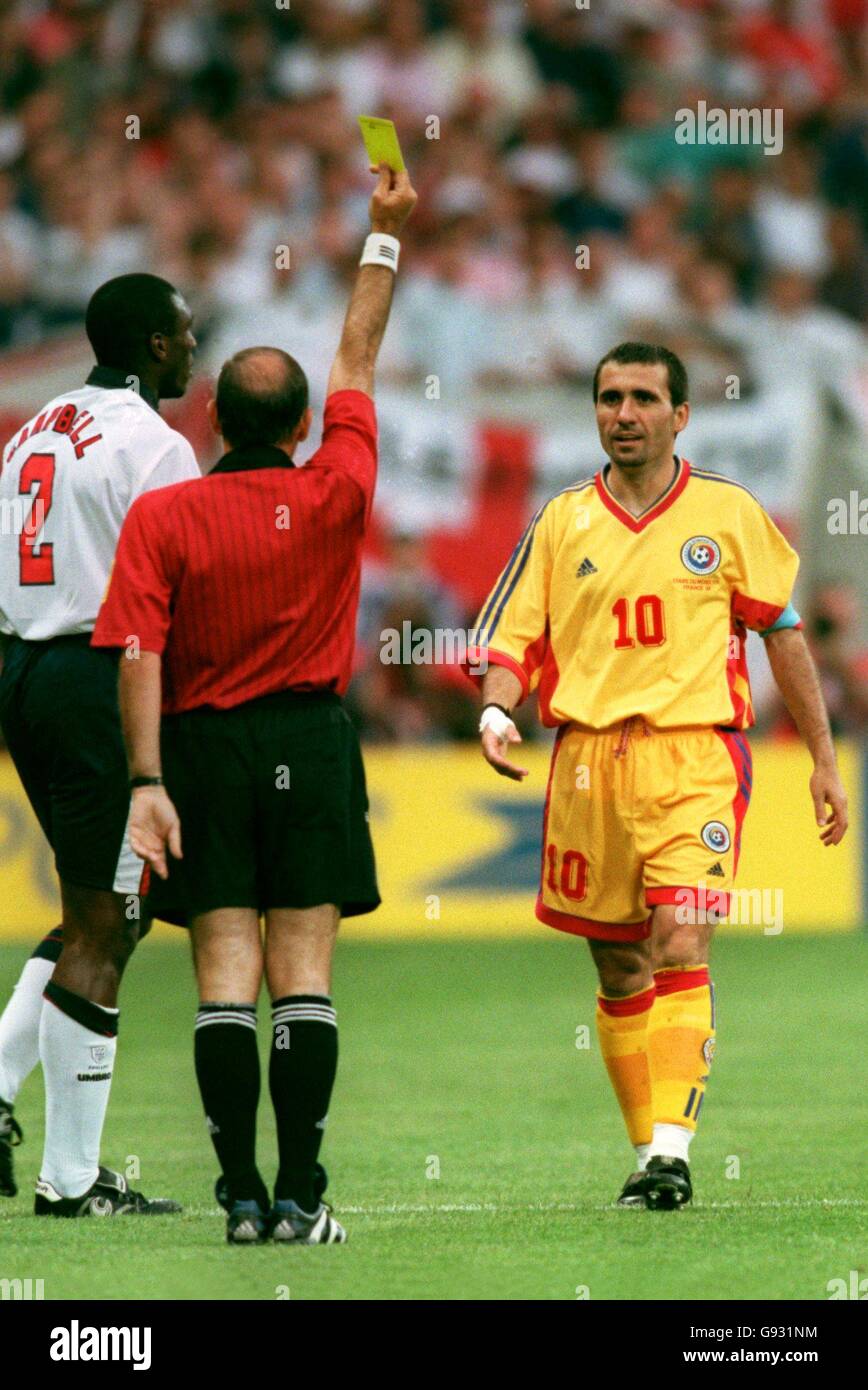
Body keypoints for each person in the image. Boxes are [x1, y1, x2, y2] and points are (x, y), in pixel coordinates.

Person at [91, 164, 418, 1244]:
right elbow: (358, 357)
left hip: (202, 749)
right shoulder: (338, 488)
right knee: (305, 979)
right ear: (299, 425)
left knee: (224, 980)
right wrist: (382, 236)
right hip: (310, 743)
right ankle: (303, 1193)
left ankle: (238, 1196)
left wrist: (146, 782)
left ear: (212, 414)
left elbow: (138, 652)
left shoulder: (168, 517)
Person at [467, 341, 848, 1211]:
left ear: (681, 415)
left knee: (681, 940)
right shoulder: (562, 520)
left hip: (696, 757)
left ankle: (673, 1154)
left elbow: (783, 633)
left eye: (643, 398)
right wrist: (496, 709)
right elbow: (509, 639)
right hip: (588, 765)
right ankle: (648, 1154)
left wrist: (823, 761)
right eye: (609, 398)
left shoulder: (727, 512)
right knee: (618, 967)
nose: (624, 414)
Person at [0, 273, 200, 1214]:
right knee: (111, 923)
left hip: (22, 670)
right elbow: (183, 587)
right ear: (157, 345)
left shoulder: (33, 428)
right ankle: (70, 1183)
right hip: (97, 676)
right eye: (187, 334)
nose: (195, 350)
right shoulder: (153, 444)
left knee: (96, 904)